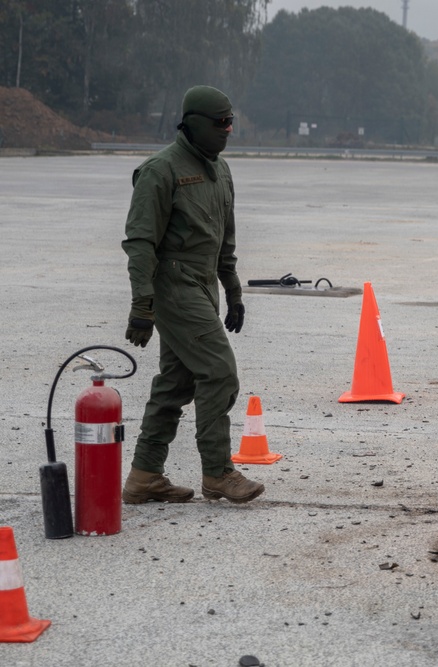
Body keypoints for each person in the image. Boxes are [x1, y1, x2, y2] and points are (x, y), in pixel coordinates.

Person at [121, 85, 265, 505]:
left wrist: (233, 291)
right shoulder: (160, 170)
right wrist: (142, 305)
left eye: (230, 122)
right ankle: (218, 473)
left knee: (176, 382)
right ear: (194, 124)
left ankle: (144, 476)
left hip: (203, 286)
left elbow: (224, 239)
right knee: (219, 372)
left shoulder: (221, 171)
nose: (228, 130)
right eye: (221, 123)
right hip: (173, 286)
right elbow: (140, 243)